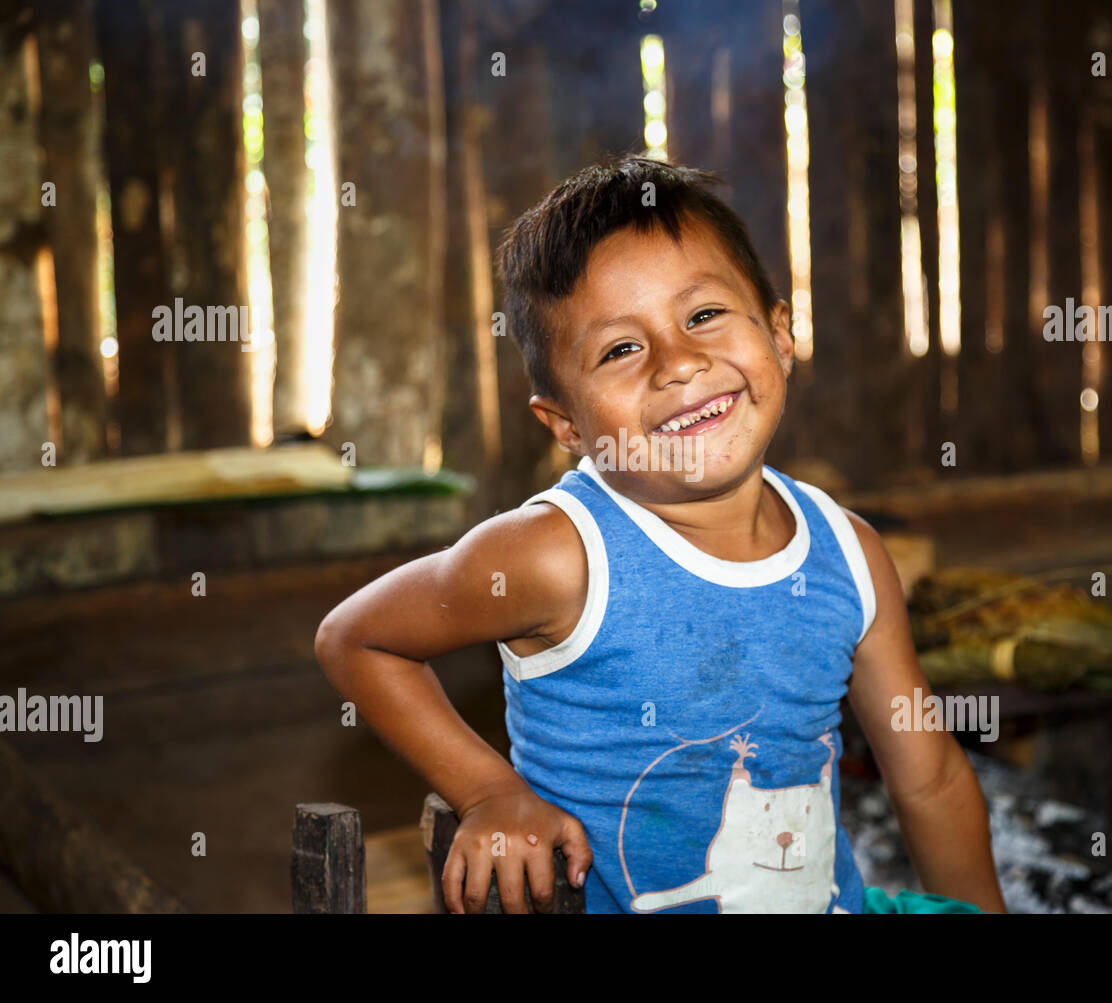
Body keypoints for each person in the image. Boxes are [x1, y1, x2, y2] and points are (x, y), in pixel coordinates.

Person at [314, 155, 1006, 915]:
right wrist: (487, 790)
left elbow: (930, 777)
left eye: (703, 314)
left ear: (779, 335)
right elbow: (356, 638)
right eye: (620, 349)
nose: (679, 363)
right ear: (567, 425)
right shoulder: (559, 554)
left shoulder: (849, 554)